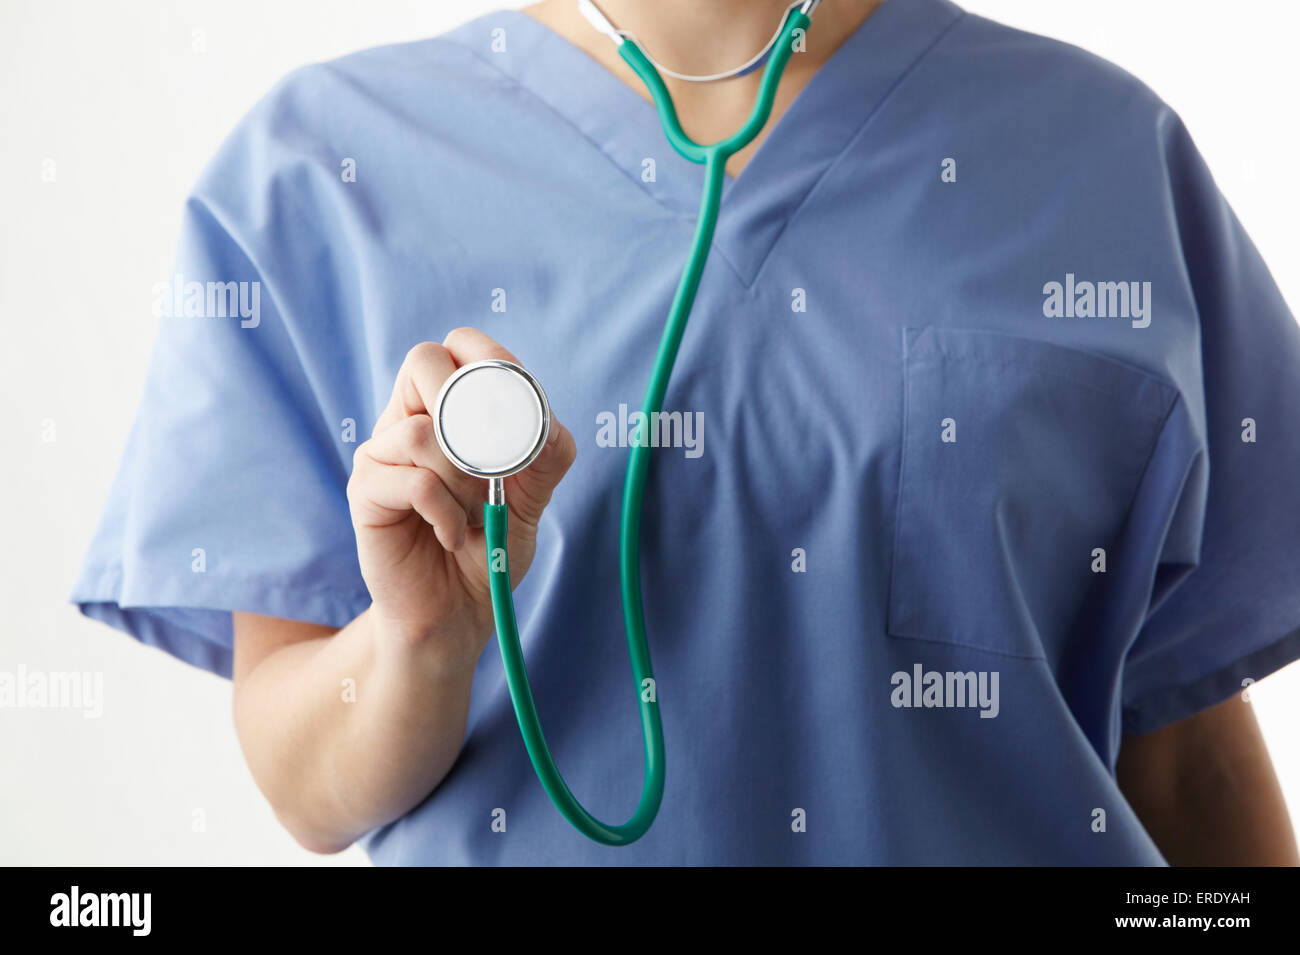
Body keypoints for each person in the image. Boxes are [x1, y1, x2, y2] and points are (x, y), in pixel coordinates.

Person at [73, 0, 1300, 865]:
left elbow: (1182, 755)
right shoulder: (320, 172)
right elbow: (302, 784)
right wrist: (418, 647)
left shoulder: (1099, 155)